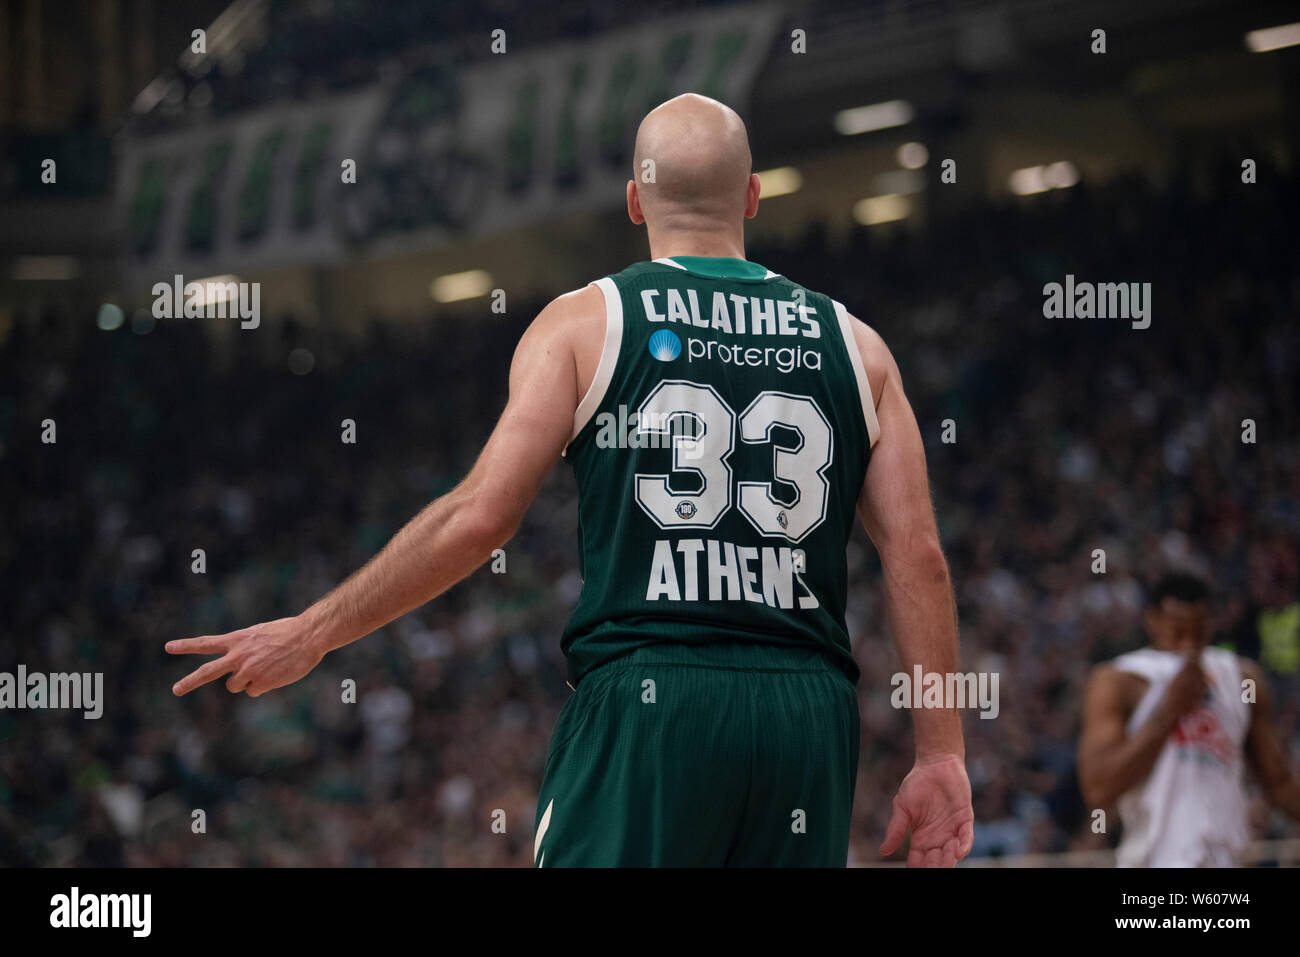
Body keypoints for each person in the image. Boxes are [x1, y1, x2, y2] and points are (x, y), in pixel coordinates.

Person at [167, 93, 973, 867]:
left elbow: (482, 518)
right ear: (753, 196)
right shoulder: (858, 346)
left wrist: (314, 630)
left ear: (634, 201)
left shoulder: (586, 321)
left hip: (651, 697)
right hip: (808, 712)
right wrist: (940, 751)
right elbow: (919, 557)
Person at [1079, 571, 1300, 866]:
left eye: (1199, 631)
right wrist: (1169, 711)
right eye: (1178, 631)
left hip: (1225, 861)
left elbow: (1279, 783)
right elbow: (1098, 788)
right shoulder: (1119, 679)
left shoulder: (1243, 678)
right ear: (1152, 621)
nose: (1189, 644)